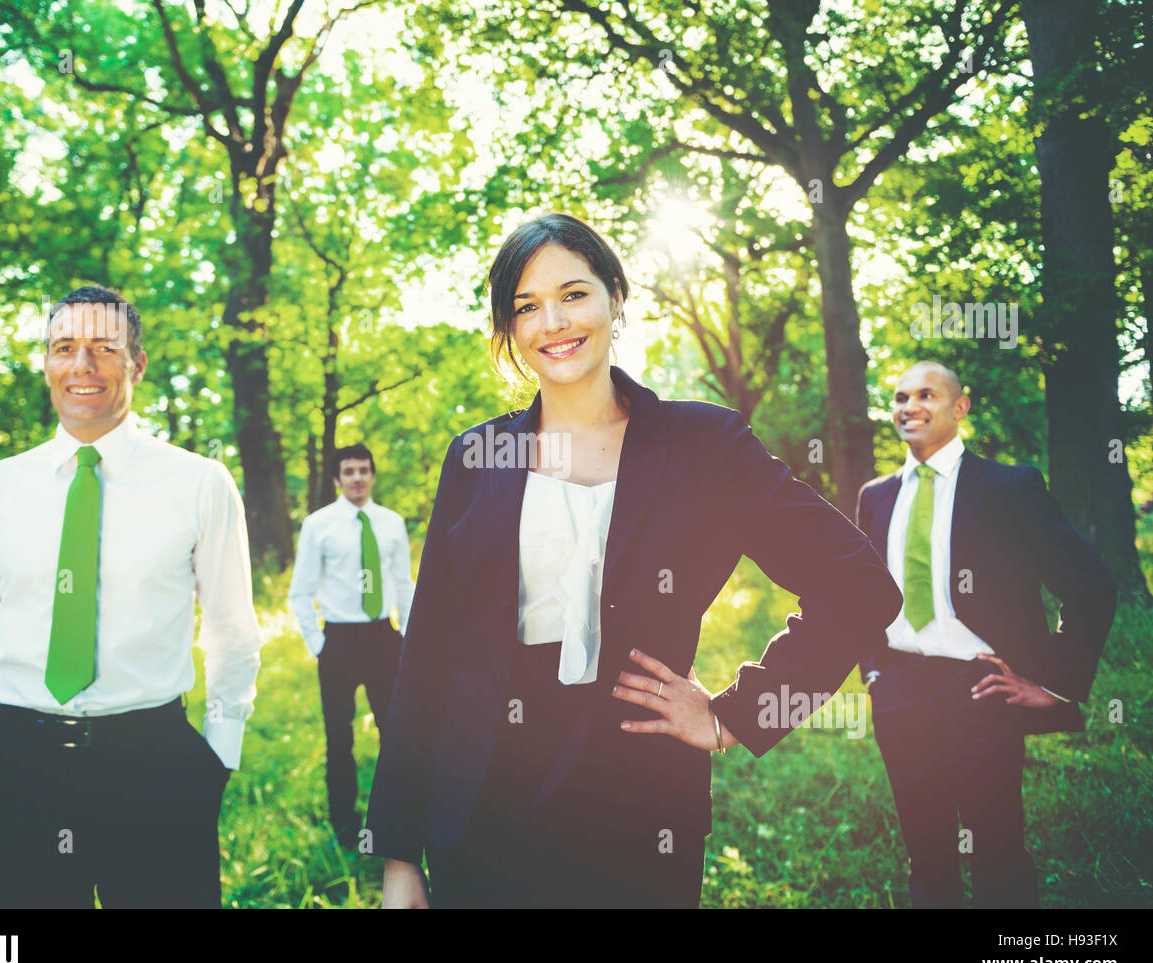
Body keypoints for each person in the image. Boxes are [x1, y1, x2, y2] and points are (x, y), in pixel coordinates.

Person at [367, 212, 904, 908]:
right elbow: (429, 653)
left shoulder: (703, 444)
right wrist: (399, 851)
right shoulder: (477, 457)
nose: (553, 321)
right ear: (508, 330)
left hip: (638, 807)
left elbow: (859, 587)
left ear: (616, 297)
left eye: (574, 293)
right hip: (479, 805)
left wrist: (739, 715)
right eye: (526, 307)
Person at [0, 285, 263, 908]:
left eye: (105, 348)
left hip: (155, 764)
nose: (83, 365)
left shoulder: (199, 483)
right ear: (46, 363)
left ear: (136, 363)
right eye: (64, 348)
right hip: (24, 768)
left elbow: (234, 633)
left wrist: (216, 761)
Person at [856, 360, 1117, 908]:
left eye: (926, 394)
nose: (909, 406)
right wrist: (874, 672)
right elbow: (863, 594)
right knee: (926, 855)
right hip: (899, 692)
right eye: (901, 397)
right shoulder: (876, 496)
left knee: (996, 850)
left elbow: (1088, 583)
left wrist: (1056, 683)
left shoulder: (1008, 486)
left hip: (981, 691)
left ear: (960, 407)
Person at [287, 444, 415, 847]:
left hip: (384, 636)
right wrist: (318, 643)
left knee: (394, 733)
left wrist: (411, 639)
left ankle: (395, 815)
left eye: (363, 470)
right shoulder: (318, 525)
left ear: (373, 475)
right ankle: (344, 822)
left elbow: (404, 583)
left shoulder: (392, 523)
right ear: (337, 479)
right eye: (349, 471)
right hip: (339, 640)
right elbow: (300, 592)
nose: (357, 477)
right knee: (338, 737)